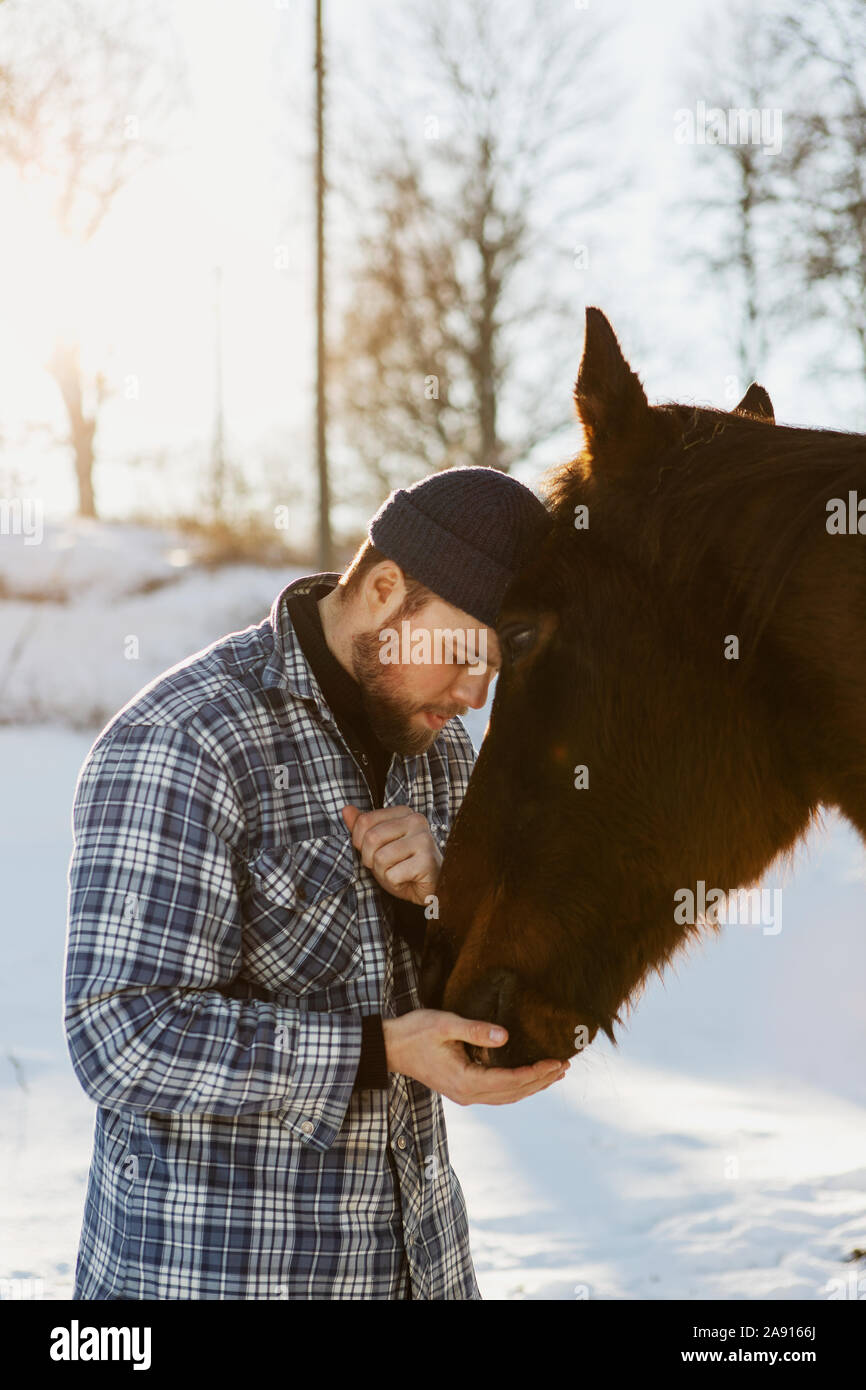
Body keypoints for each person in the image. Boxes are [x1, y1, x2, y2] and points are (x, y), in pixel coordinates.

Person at [64, 465, 568, 1301]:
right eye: (462, 657)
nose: (476, 697)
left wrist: (441, 901)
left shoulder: (441, 751)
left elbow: (467, 991)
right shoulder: (186, 741)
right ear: (384, 590)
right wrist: (378, 1051)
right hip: (219, 1277)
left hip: (420, 1268)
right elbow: (120, 1036)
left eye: (496, 670)